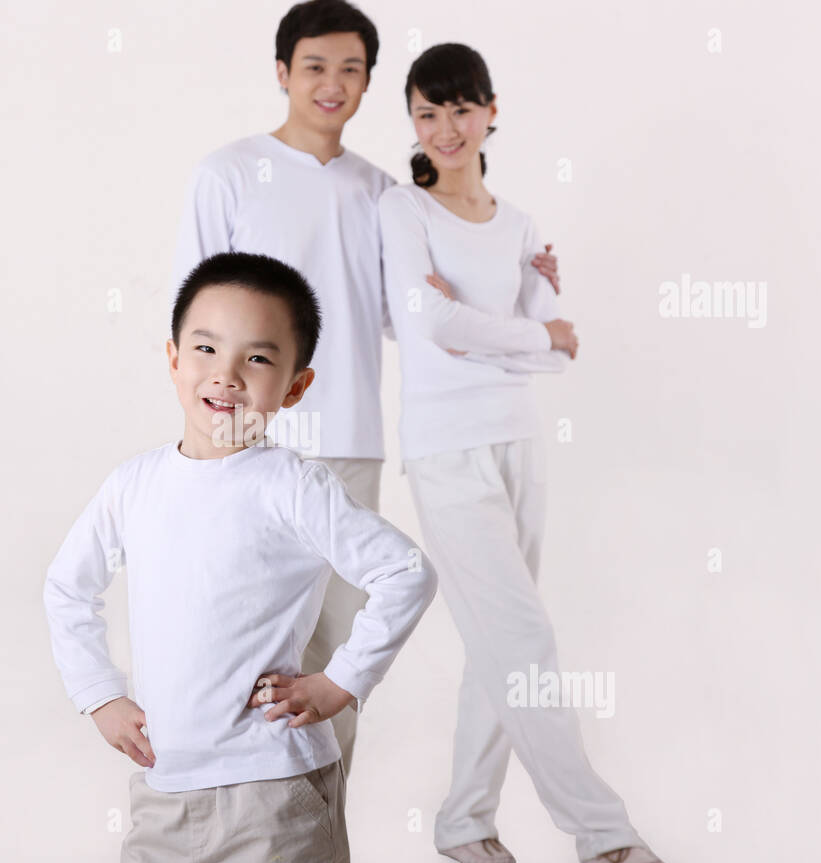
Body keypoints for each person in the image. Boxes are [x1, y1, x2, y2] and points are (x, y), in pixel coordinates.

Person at [168, 0, 559, 778]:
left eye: (351, 69)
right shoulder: (228, 173)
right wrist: (203, 450)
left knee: (335, 671)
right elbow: (192, 315)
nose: (333, 83)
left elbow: (411, 319)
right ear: (283, 73)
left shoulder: (384, 195)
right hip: (245, 445)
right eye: (315, 66)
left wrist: (521, 284)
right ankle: (236, 823)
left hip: (348, 443)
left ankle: (319, 838)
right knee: (238, 650)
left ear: (369, 81)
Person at [44, 251, 438, 863]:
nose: (225, 376)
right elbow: (68, 588)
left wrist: (341, 682)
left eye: (256, 358)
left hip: (275, 798)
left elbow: (405, 572)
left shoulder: (292, 486)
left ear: (295, 386)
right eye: (205, 349)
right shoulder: (132, 485)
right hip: (163, 790)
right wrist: (99, 692)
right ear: (174, 360)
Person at [378, 42, 665, 863]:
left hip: (519, 443)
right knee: (526, 642)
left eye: (460, 108)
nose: (445, 128)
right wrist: (524, 331)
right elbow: (433, 326)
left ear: (491, 110)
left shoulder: (521, 226)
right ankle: (604, 836)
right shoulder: (404, 212)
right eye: (427, 113)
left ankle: (465, 822)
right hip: (445, 450)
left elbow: (553, 354)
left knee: (497, 645)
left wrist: (498, 335)